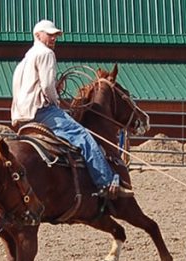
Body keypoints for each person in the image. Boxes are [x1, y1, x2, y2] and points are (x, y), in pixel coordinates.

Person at [11, 19, 120, 197]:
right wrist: (55, 101)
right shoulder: (46, 53)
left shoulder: (25, 59)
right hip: (42, 111)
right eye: (50, 34)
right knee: (83, 136)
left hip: (22, 115)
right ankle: (106, 182)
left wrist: (53, 88)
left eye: (55, 35)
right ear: (38, 35)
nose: (53, 38)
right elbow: (46, 86)